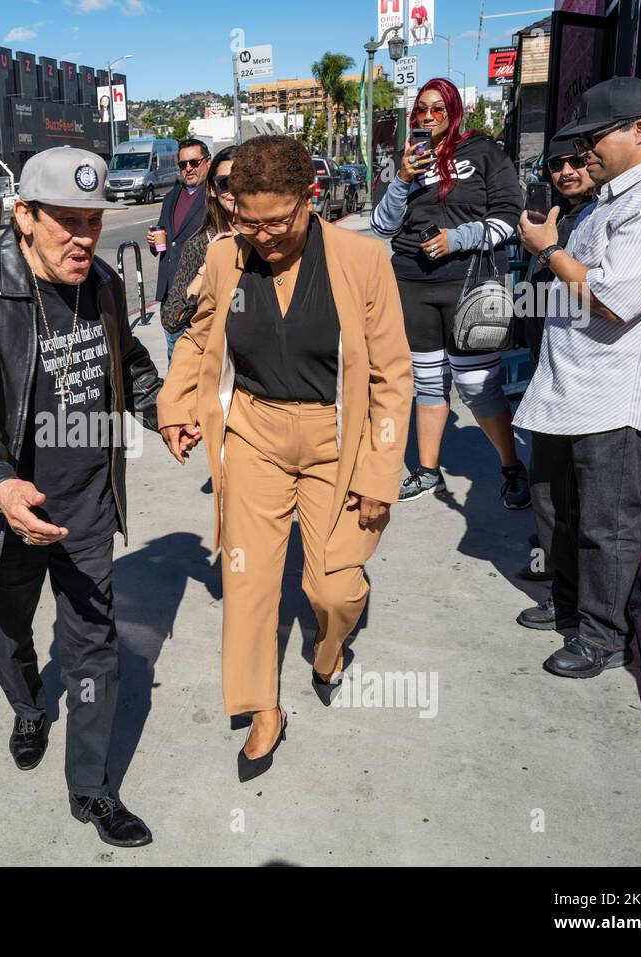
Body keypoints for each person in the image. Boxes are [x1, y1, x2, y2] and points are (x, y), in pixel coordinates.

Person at [159, 135, 411, 782]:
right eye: (250, 220)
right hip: (253, 431)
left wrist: (382, 471)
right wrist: (175, 402)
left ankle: (330, 649)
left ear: (310, 198)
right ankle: (261, 706)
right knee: (247, 581)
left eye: (278, 220)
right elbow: (199, 332)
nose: (264, 236)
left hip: (335, 435)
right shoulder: (225, 257)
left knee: (334, 586)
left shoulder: (360, 260)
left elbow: (390, 373)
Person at [0, 146, 163, 847]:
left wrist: (167, 411)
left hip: (87, 506)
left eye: (92, 221)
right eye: (65, 221)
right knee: (8, 625)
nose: (83, 238)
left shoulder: (104, 286)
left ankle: (91, 788)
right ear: (24, 216)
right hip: (10, 513)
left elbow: (130, 365)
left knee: (94, 648)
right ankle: (28, 705)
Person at [514, 77, 641, 678]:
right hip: (568, 386)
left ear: (640, 131)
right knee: (558, 507)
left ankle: (603, 636)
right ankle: (572, 605)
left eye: (594, 137)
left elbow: (609, 298)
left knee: (608, 522)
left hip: (618, 392)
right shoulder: (612, 200)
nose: (585, 152)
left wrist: (550, 251)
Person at [369, 79, 529, 508]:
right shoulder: (400, 161)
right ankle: (426, 471)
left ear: (454, 111)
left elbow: (509, 216)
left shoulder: (483, 152)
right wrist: (402, 177)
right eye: (421, 110)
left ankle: (512, 466)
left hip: (470, 282)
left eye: (439, 109)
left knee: (477, 385)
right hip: (412, 282)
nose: (428, 117)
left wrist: (458, 238)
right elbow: (382, 227)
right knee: (427, 383)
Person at [515, 134, 596, 588]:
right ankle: (552, 563)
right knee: (546, 478)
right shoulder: (554, 214)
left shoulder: (597, 217)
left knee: (567, 484)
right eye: (556, 164)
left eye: (576, 162)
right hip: (543, 358)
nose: (566, 172)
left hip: (580, 368)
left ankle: (563, 582)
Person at [158, 144, 238, 348]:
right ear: (213, 190)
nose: (236, 191)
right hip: (211, 351)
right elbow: (171, 318)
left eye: (245, 181)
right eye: (225, 183)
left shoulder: (269, 239)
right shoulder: (201, 242)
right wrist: (204, 272)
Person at [148, 138, 211, 360]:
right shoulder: (171, 197)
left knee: (199, 363)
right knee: (174, 360)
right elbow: (166, 238)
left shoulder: (216, 197)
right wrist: (153, 242)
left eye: (194, 162)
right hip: (170, 296)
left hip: (199, 296)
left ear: (208, 162)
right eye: (182, 164)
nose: (188, 169)